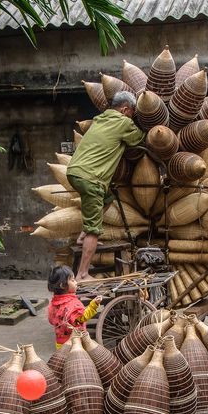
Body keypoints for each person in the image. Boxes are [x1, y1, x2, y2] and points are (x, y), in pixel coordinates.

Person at [66, 90, 145, 281]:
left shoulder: (100, 119)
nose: (132, 117)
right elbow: (138, 139)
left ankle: (83, 234)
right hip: (92, 179)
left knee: (107, 198)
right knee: (95, 229)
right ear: (125, 109)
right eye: (132, 113)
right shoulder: (124, 122)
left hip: (74, 172)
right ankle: (83, 273)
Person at [47, 265, 103, 348]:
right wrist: (93, 305)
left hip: (60, 343)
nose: (76, 283)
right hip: (75, 344)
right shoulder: (72, 303)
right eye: (73, 280)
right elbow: (82, 318)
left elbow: (51, 320)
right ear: (63, 285)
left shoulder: (53, 303)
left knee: (63, 361)